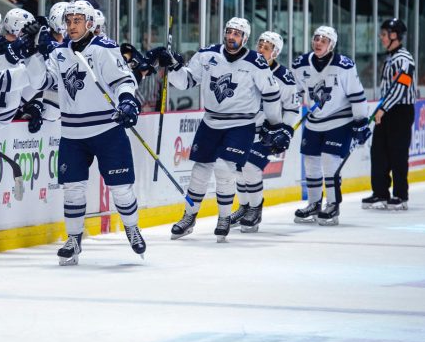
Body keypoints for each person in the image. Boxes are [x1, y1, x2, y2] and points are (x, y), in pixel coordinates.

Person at [149, 17, 287, 242]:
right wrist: (173, 66)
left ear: (245, 38)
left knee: (224, 168)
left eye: (237, 34)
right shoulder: (207, 55)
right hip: (211, 122)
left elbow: (271, 94)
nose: (232, 36)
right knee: (199, 171)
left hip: (241, 124)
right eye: (229, 32)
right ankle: (189, 216)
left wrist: (275, 124)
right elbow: (186, 82)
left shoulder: (256, 62)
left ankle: (223, 217)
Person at [33, 0, 146, 264]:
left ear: (90, 23)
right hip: (72, 132)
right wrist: (34, 56)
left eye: (77, 21)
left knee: (121, 189)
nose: (72, 26)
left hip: (107, 129)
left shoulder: (104, 49)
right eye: (69, 21)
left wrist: (127, 101)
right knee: (72, 189)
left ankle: (132, 227)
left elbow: (123, 80)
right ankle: (74, 239)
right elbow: (43, 82)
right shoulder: (58, 53)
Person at [291, 26, 370, 225]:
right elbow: (294, 93)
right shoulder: (300, 64)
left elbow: (357, 95)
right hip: (315, 121)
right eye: (316, 38)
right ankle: (314, 203)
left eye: (323, 40)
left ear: (331, 45)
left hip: (340, 120)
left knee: (329, 162)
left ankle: (333, 204)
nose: (318, 42)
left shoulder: (344, 65)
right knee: (310, 162)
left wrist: (360, 120)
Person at [229, 31, 301, 233]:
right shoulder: (246, 66)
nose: (260, 49)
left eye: (266, 47)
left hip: (266, 132)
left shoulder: (284, 77)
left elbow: (293, 108)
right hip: (242, 128)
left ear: (275, 53)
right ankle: (244, 208)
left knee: (250, 168)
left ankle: (255, 209)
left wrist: (284, 130)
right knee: (238, 170)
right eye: (259, 45)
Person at [364, 18, 417, 211]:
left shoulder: (404, 59)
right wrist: (382, 108)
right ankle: (380, 193)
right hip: (387, 110)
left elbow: (401, 87)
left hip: (400, 111)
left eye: (384, 34)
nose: (381, 37)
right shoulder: (390, 58)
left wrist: (383, 109)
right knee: (378, 152)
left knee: (397, 153)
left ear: (395, 36)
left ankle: (400, 195)